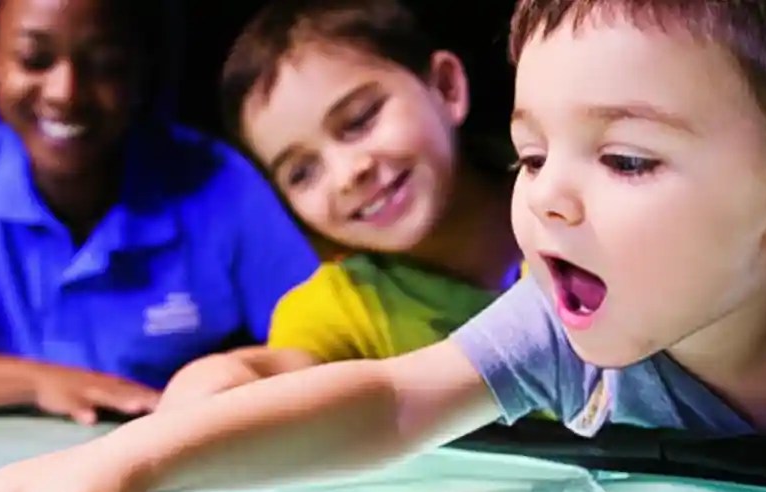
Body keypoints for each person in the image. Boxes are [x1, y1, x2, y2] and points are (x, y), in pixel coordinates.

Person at [0, 0, 766, 492]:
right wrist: (128, 461)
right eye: (531, 153)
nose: (546, 198)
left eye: (626, 158)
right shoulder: (557, 333)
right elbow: (384, 399)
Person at [0, 0, 318, 425]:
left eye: (105, 65)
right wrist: (47, 383)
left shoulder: (219, 181)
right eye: (35, 60)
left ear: (139, 73)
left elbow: (322, 350)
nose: (65, 93)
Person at [158, 0, 521, 411]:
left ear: (445, 87)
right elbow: (282, 371)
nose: (348, 174)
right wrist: (223, 380)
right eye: (302, 173)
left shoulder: (582, 200)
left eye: (360, 119)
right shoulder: (341, 308)